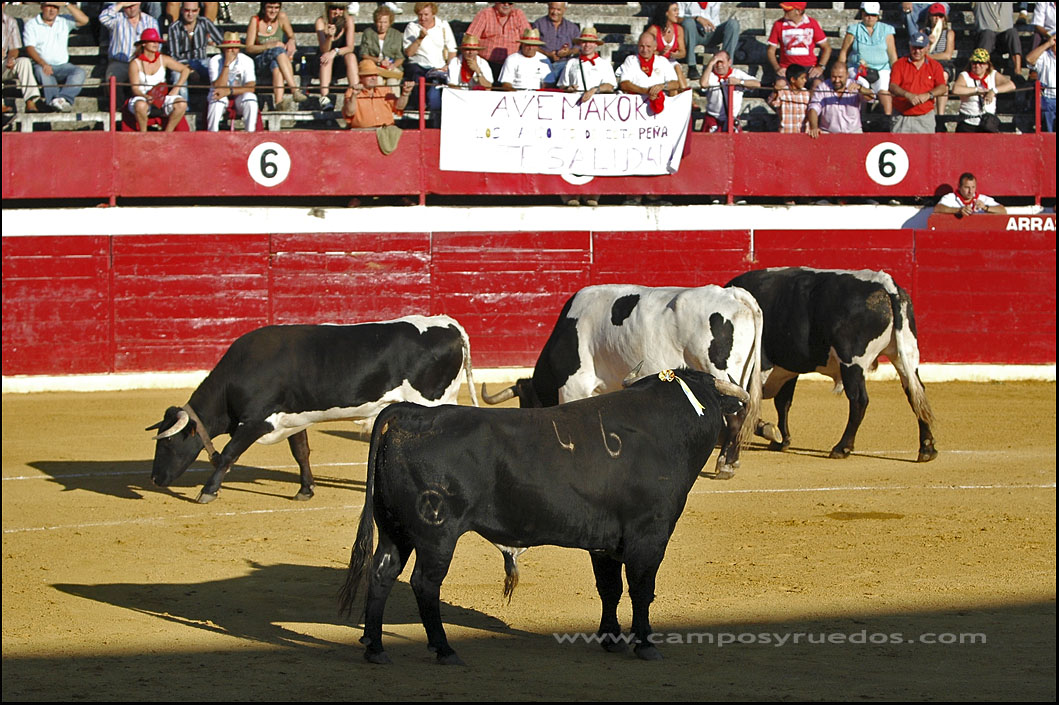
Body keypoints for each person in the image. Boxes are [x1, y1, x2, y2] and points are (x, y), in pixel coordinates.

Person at [617, 30, 683, 206]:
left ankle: (655, 194)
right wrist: (646, 91)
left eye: (648, 46)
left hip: (658, 115)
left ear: (655, 48)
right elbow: (624, 83)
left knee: (657, 152)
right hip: (635, 113)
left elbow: (676, 83)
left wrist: (661, 86)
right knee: (634, 152)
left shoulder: (662, 62)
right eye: (641, 46)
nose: (644, 50)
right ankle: (633, 195)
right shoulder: (631, 61)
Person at [558, 25, 613, 207]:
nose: (587, 45)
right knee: (571, 149)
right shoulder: (572, 64)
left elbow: (611, 86)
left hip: (596, 114)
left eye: (590, 42)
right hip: (574, 112)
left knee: (595, 151)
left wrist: (595, 90)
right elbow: (563, 86)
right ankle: (570, 192)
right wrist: (569, 89)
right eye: (584, 42)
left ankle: (593, 192)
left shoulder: (604, 64)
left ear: (596, 44)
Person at [22, 1, 89, 113]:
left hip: (63, 66)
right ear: (42, 7)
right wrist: (43, 64)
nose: (52, 10)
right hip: (41, 64)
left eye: (55, 7)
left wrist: (67, 4)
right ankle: (54, 100)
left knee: (79, 72)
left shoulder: (64, 20)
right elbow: (30, 48)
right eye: (49, 6)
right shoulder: (32, 24)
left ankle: (62, 99)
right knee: (43, 72)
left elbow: (85, 20)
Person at [836, 2, 896, 119]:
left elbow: (892, 54)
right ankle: (860, 120)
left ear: (877, 16)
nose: (870, 17)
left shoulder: (887, 30)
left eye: (873, 15)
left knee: (884, 92)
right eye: (867, 14)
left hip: (882, 68)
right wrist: (841, 71)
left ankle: (888, 121)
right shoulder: (854, 29)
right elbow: (844, 52)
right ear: (862, 14)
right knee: (861, 88)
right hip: (858, 68)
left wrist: (896, 72)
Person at [245, 1, 307, 111]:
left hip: (278, 60)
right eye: (270, 7)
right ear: (264, 8)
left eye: (276, 8)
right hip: (260, 60)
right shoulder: (255, 21)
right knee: (277, 50)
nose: (273, 11)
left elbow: (291, 36)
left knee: (276, 64)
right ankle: (294, 90)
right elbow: (249, 47)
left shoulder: (282, 18)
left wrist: (291, 42)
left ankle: (279, 102)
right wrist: (268, 46)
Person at [126, 27, 189, 131]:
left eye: (157, 42)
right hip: (142, 96)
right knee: (140, 105)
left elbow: (185, 70)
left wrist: (176, 88)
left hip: (161, 96)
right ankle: (143, 133)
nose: (156, 44)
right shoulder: (135, 63)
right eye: (152, 41)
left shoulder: (163, 59)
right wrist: (145, 96)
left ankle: (168, 132)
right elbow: (135, 89)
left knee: (181, 104)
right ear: (144, 44)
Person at [402, 0, 456, 117]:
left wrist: (448, 65)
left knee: (438, 86)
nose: (423, 18)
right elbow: (409, 53)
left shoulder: (443, 25)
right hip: (418, 65)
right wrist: (419, 39)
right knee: (417, 75)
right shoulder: (412, 27)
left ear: (433, 14)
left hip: (438, 67)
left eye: (426, 15)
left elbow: (452, 49)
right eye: (420, 15)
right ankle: (418, 107)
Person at [99, 2, 159, 106]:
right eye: (127, 7)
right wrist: (120, 4)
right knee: (112, 80)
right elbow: (103, 17)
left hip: (142, 62)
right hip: (120, 62)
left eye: (133, 5)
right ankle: (121, 108)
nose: (131, 9)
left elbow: (157, 43)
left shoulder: (150, 21)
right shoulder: (116, 19)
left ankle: (147, 108)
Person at [889, 30, 948, 133]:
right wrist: (907, 95)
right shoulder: (899, 64)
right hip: (902, 116)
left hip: (924, 117)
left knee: (925, 148)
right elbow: (893, 86)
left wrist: (928, 95)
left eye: (920, 48)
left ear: (927, 48)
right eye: (914, 47)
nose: (917, 51)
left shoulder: (935, 66)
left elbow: (942, 87)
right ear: (910, 46)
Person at [167, 2, 223, 102]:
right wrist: (190, 70)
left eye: (194, 11)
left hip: (202, 60)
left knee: (217, 68)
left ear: (198, 11)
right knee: (177, 75)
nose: (190, 14)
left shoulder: (205, 22)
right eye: (187, 10)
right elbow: (174, 56)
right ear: (181, 10)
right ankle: (183, 107)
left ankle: (216, 102)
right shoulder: (174, 27)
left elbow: (221, 42)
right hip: (182, 63)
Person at [767, 1, 830, 89]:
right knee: (780, 84)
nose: (784, 11)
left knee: (818, 85)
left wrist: (820, 67)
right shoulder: (778, 24)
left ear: (798, 11)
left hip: (809, 68)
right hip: (787, 68)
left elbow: (826, 48)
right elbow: (770, 50)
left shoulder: (812, 23)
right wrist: (777, 68)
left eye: (788, 10)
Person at [952, 47, 1015, 132]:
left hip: (987, 123)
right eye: (974, 63)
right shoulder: (965, 75)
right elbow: (956, 89)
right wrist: (976, 90)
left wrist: (993, 91)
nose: (977, 66)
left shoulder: (993, 75)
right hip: (968, 122)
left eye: (981, 63)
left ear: (987, 65)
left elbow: (1011, 85)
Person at [206, 31, 258, 131]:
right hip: (220, 94)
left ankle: (251, 133)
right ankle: (212, 133)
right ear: (224, 49)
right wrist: (226, 64)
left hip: (239, 95)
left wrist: (229, 91)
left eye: (235, 47)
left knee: (251, 98)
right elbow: (218, 86)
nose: (232, 51)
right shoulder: (215, 60)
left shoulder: (247, 60)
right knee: (215, 98)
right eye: (229, 47)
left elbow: (251, 86)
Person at [807, 61, 874, 137]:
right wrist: (814, 128)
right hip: (828, 132)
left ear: (847, 75)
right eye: (834, 77)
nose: (837, 80)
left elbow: (871, 98)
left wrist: (861, 88)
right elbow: (813, 108)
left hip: (854, 132)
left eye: (840, 77)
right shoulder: (822, 87)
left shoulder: (856, 85)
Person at [698, 50, 759, 133]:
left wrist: (739, 82)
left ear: (729, 62)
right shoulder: (711, 75)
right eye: (716, 62)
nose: (719, 65)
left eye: (722, 62)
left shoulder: (737, 73)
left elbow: (757, 84)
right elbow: (703, 83)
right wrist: (710, 64)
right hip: (713, 119)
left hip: (732, 119)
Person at [466, 1, 530, 79]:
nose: (506, 5)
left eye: (510, 3)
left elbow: (528, 38)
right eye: (503, 2)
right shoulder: (485, 14)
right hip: (487, 63)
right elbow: (471, 38)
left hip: (512, 64)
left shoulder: (518, 14)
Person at [342, 58, 412, 128]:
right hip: (363, 132)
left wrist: (405, 94)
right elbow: (349, 113)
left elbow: (399, 107)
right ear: (361, 77)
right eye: (369, 75)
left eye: (375, 75)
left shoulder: (384, 90)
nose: (374, 78)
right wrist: (354, 96)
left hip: (386, 130)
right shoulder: (351, 91)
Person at [679, 1, 740, 82]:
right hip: (695, 33)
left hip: (713, 32)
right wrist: (697, 18)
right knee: (688, 22)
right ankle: (692, 65)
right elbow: (677, 18)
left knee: (733, 24)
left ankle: (726, 64)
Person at [314, 1, 357, 110]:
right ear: (328, 9)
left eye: (341, 9)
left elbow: (350, 47)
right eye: (334, 8)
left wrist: (335, 52)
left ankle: (356, 94)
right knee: (326, 56)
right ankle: (325, 97)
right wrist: (329, 37)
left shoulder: (348, 21)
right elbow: (324, 49)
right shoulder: (321, 22)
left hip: (341, 60)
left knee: (351, 56)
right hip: (322, 62)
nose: (337, 12)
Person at [3, 2, 43, 113]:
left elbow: (14, 48)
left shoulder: (10, 22)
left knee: (24, 62)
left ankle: (30, 101)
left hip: (4, 63)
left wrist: (11, 59)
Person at [920, 3, 956, 121]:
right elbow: (919, 52)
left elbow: (947, 55)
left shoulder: (949, 33)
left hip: (943, 64)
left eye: (940, 16)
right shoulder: (923, 32)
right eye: (934, 16)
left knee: (943, 79)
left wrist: (929, 56)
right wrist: (929, 43)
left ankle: (940, 116)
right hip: (926, 63)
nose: (937, 19)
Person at [531, 2, 578, 85]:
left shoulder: (572, 27)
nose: (555, 12)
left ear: (564, 10)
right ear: (548, 7)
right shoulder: (539, 24)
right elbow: (532, 45)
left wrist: (568, 52)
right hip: (542, 63)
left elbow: (579, 47)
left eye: (558, 9)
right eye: (552, 8)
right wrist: (547, 54)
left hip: (564, 65)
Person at [360, 4, 404, 87]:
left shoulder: (396, 34)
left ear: (390, 22)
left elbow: (400, 57)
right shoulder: (368, 33)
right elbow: (364, 54)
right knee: (378, 81)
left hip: (391, 68)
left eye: (385, 22)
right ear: (376, 22)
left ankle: (393, 100)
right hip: (374, 67)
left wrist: (393, 65)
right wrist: (379, 61)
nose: (382, 25)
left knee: (392, 82)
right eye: (380, 22)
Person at [975, 2, 1023, 77]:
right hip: (985, 38)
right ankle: (981, 71)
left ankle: (1018, 71)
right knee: (987, 34)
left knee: (1013, 32)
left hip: (1003, 39)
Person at [934, 172, 1007, 216]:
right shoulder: (950, 198)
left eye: (973, 187)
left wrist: (985, 208)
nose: (970, 191)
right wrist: (959, 210)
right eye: (967, 187)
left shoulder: (983, 199)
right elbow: (937, 208)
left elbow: (1003, 211)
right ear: (959, 187)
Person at [768, 62, 810, 133]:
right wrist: (775, 92)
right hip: (786, 132)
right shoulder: (783, 92)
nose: (805, 81)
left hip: (803, 133)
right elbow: (774, 104)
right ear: (793, 80)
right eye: (802, 78)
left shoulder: (806, 93)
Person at [1026, 32, 1056, 132]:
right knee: (1046, 111)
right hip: (1047, 98)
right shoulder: (1045, 56)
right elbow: (1029, 59)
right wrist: (1047, 44)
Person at [646, 2, 686, 69]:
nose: (677, 13)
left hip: (671, 61)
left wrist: (676, 55)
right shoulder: (653, 30)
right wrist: (660, 53)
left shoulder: (679, 29)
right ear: (666, 13)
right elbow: (646, 51)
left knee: (677, 68)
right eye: (674, 10)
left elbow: (683, 52)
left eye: (677, 10)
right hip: (656, 61)